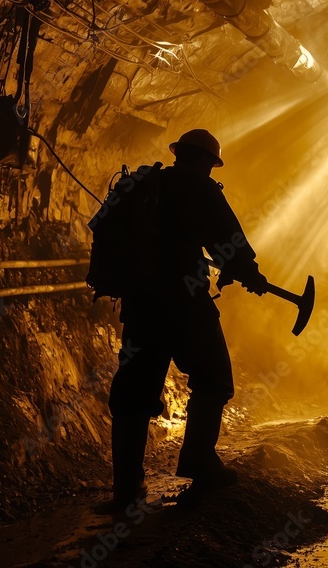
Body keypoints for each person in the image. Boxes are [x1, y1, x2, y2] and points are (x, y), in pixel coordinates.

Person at [105, 129, 268, 509]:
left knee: (133, 394)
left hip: (141, 304)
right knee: (214, 380)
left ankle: (126, 491)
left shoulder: (149, 184)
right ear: (206, 162)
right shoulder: (201, 188)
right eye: (211, 165)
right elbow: (228, 239)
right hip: (184, 302)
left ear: (179, 153)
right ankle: (199, 463)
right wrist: (249, 272)